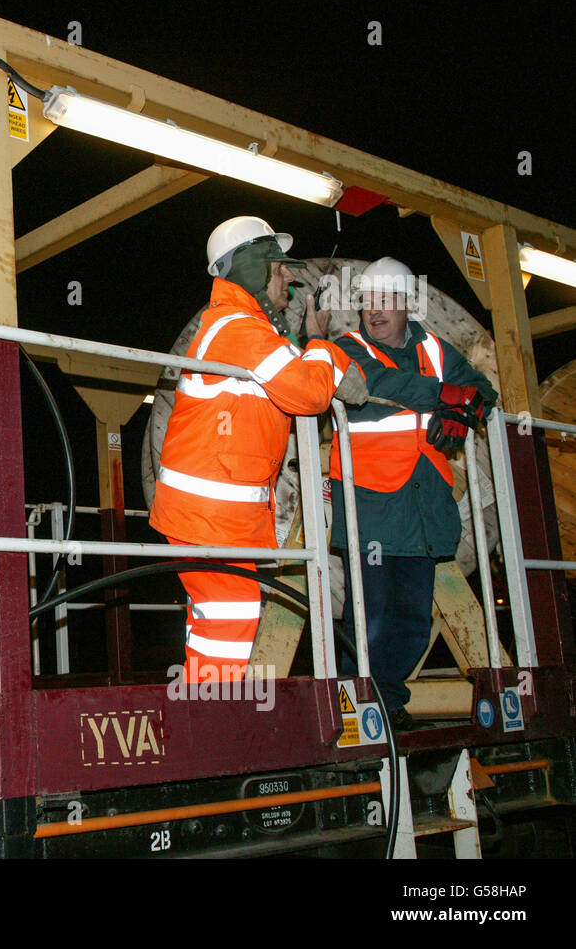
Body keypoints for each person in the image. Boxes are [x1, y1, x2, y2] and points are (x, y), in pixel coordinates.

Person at [150, 216, 368, 683]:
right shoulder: (237, 331)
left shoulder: (245, 330)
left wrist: (315, 348)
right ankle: (214, 728)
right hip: (210, 516)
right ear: (249, 268)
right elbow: (308, 393)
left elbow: (297, 371)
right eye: (278, 268)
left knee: (217, 620)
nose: (290, 278)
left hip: (214, 516)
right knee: (229, 620)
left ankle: (207, 719)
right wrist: (323, 347)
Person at [328, 257, 495, 730]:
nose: (373, 312)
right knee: (371, 619)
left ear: (406, 305)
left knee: (412, 624)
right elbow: (376, 384)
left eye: (385, 301)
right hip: (373, 508)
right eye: (366, 303)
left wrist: (462, 413)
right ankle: (352, 712)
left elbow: (481, 389)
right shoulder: (347, 348)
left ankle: (387, 705)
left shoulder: (436, 350)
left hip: (422, 508)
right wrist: (448, 398)